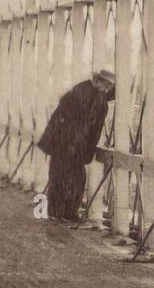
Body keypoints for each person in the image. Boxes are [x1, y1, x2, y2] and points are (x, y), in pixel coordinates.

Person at [37, 69, 115, 223]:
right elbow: (88, 127)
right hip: (73, 145)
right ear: (103, 84)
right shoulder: (97, 98)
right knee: (76, 178)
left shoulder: (80, 88)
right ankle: (68, 213)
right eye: (109, 86)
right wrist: (80, 149)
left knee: (58, 175)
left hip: (61, 142)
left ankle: (55, 211)